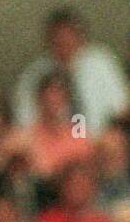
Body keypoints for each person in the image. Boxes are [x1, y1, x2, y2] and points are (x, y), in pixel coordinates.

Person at [13, 8, 129, 136]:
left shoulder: (100, 62)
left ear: (81, 37)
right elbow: (24, 120)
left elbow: (121, 109)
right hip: (55, 146)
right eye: (57, 37)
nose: (64, 42)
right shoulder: (34, 75)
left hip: (98, 142)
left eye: (69, 36)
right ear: (47, 41)